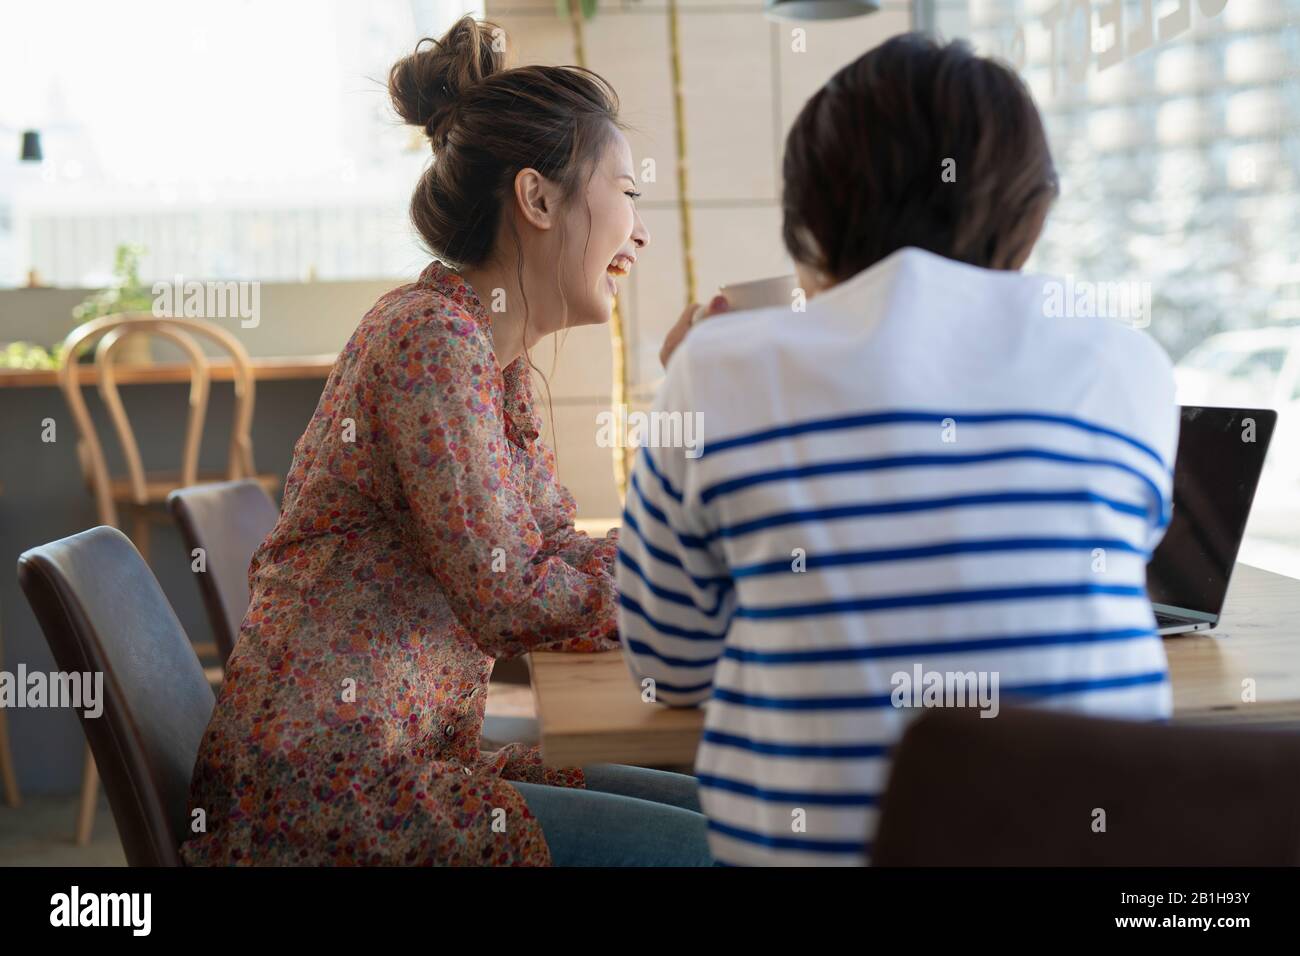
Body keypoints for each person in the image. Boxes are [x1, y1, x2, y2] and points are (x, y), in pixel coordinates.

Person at [618, 33, 1179, 866]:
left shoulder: (719, 366)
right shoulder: (1127, 363)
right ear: (1029, 211)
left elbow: (670, 666)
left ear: (810, 215)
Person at [183, 16, 711, 866]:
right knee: (708, 848)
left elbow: (545, 553)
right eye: (628, 193)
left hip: (402, 765)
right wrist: (694, 582)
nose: (639, 232)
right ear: (537, 200)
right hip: (332, 794)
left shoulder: (486, 356)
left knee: (718, 813)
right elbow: (510, 599)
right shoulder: (432, 340)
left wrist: (682, 565)